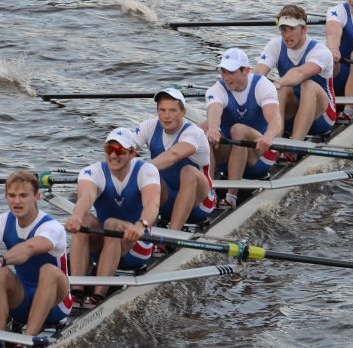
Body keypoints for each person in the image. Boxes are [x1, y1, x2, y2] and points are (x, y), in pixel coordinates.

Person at [0, 171, 72, 336]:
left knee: (48, 270)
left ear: (37, 196)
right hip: (22, 300)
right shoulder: (2, 221)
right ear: (6, 197)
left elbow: (29, 248)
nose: (17, 201)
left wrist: (0, 260)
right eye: (12, 195)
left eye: (23, 195)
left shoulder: (52, 227)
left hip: (56, 305)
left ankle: (26, 343)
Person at [64, 127, 161, 308]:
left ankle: (98, 296)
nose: (113, 156)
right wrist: (76, 216)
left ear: (132, 154)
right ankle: (77, 292)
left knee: (111, 223)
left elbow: (152, 204)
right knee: (85, 221)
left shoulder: (146, 170)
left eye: (120, 151)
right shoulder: (92, 171)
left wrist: (141, 225)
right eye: (109, 149)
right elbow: (86, 196)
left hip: (136, 246)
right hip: (106, 243)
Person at [202, 47, 284, 209]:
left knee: (238, 129)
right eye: (223, 72)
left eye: (231, 72)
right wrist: (212, 128)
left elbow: (275, 117)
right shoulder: (216, 89)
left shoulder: (262, 85)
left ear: (246, 70)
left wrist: (268, 135)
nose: (226, 77)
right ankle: (208, 192)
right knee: (202, 130)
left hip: (260, 156)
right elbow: (214, 109)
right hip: (231, 155)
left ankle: (231, 196)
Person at [254, 4, 337, 156]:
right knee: (281, 90)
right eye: (283, 29)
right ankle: (275, 145)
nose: (286, 35)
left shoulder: (320, 51)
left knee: (307, 85)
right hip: (293, 113)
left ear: (304, 29)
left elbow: (300, 73)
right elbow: (258, 73)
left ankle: (293, 149)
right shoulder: (275, 45)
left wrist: (276, 83)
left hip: (322, 117)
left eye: (292, 29)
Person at [132, 87, 217, 230]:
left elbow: (174, 155)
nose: (166, 116)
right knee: (135, 165)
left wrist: (142, 170)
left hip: (199, 205)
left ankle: (172, 236)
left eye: (173, 110)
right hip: (167, 202)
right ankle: (141, 231)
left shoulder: (194, 132)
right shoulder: (149, 126)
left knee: (188, 171)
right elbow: (126, 148)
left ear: (183, 112)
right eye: (162, 110)